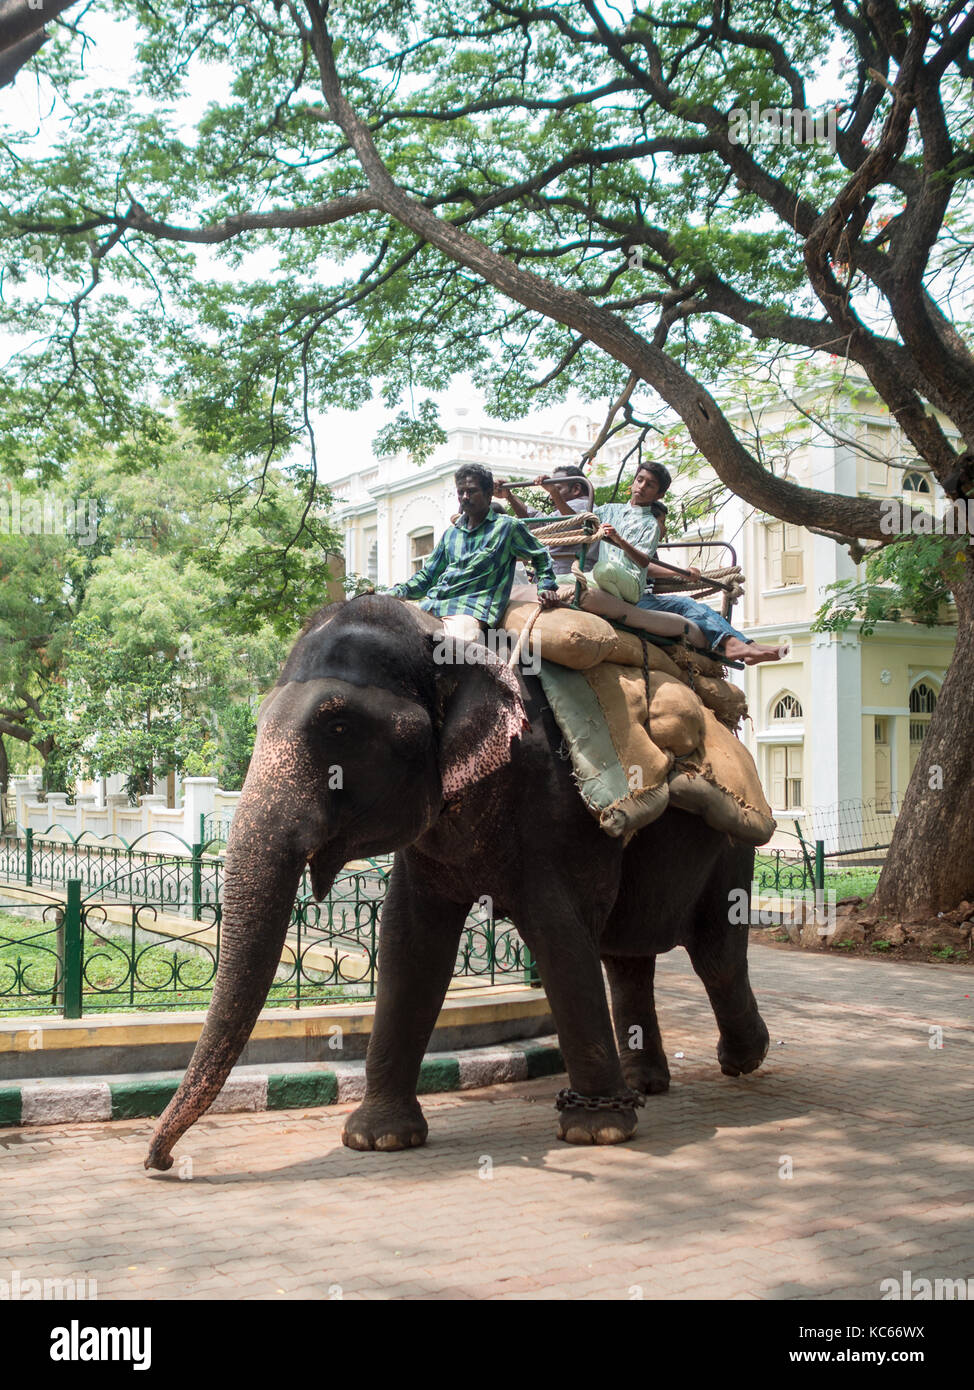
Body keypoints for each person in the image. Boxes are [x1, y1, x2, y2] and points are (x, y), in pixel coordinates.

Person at [626, 463, 785, 666]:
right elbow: (639, 564)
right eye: (662, 522)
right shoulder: (631, 526)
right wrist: (683, 573)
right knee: (686, 605)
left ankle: (746, 644)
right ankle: (736, 645)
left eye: (649, 484)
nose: (664, 529)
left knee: (695, 607)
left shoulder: (645, 534)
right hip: (632, 595)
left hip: (643, 594)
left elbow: (645, 569)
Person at [390, 464, 561, 642]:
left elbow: (541, 555)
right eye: (460, 492)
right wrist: (396, 592)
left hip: (469, 612)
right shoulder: (451, 533)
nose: (465, 497)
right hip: (431, 605)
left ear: (488, 495)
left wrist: (546, 587)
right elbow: (427, 576)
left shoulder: (507, 527)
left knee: (453, 648)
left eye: (471, 491)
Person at [495, 465, 595, 575]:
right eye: (552, 491)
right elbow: (537, 523)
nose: (551, 497)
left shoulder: (585, 506)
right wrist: (509, 496)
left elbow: (572, 523)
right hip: (553, 575)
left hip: (570, 576)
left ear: (576, 489)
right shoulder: (564, 510)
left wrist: (554, 492)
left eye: (557, 489)